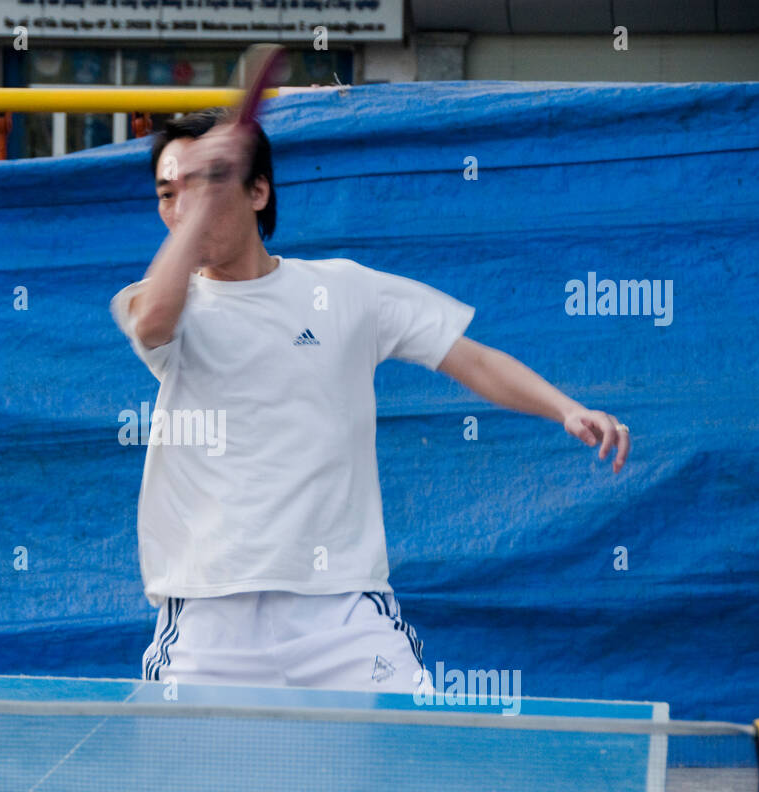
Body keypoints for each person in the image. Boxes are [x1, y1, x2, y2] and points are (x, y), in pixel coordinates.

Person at [110, 108, 630, 694]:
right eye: (166, 193)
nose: (181, 206)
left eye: (201, 184)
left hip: (343, 610)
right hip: (208, 615)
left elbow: (472, 359)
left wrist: (564, 408)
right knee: (183, 786)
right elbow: (155, 321)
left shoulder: (344, 290)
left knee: (411, 770)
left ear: (258, 191)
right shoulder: (160, 304)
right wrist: (204, 191)